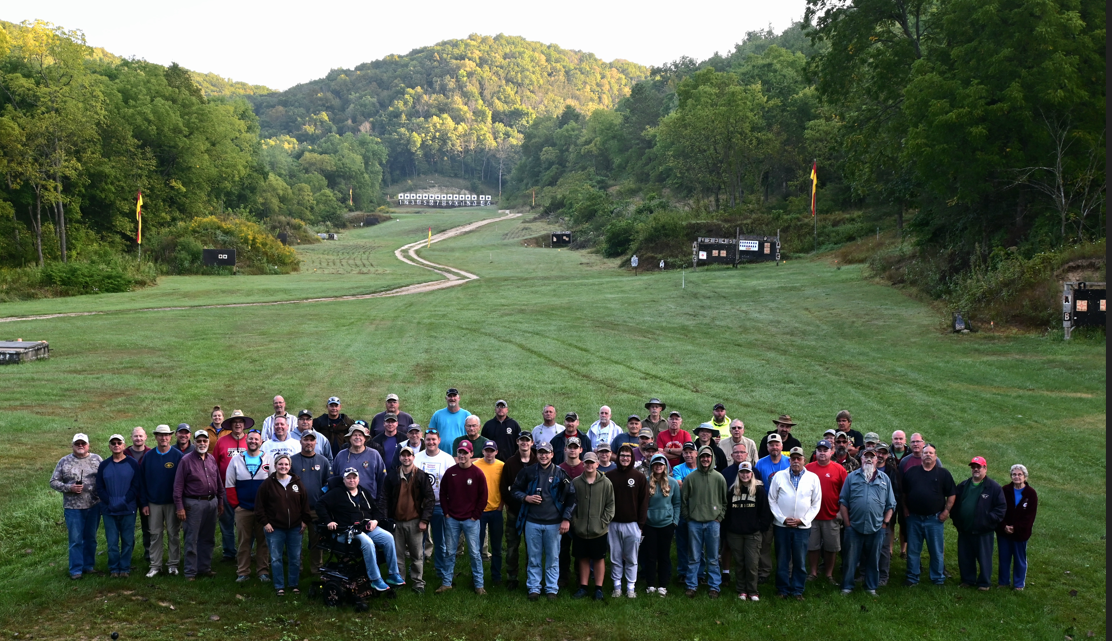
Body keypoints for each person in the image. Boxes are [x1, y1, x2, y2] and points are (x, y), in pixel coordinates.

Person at [317, 468, 404, 592]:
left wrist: (375, 521)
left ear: (358, 479)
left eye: (354, 477)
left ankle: (393, 574)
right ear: (344, 480)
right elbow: (320, 505)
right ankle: (375, 579)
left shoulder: (364, 492)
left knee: (388, 537)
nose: (352, 480)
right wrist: (328, 521)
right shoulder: (336, 493)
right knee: (367, 542)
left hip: (366, 527)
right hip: (345, 531)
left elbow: (376, 510)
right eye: (349, 478)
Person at [512, 440, 576, 601]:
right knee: (533, 556)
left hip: (554, 523)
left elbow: (572, 497)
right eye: (540, 452)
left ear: (552, 454)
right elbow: (514, 490)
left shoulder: (561, 474)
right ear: (537, 454)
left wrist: (566, 519)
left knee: (553, 557)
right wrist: (526, 497)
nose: (543, 455)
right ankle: (534, 588)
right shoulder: (529, 472)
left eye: (546, 452)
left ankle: (551, 588)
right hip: (532, 522)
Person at [838, 447, 895, 595]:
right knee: (850, 559)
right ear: (861, 460)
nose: (869, 459)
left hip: (876, 528)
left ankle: (871, 587)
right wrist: (848, 524)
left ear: (877, 460)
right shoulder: (851, 477)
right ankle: (847, 586)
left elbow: (891, 505)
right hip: (854, 527)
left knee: (873, 560)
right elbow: (843, 501)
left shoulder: (885, 479)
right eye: (866, 457)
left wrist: (884, 524)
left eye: (872, 457)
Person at [767, 447, 822, 600]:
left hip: (802, 527)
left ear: (804, 460)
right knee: (783, 558)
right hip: (782, 526)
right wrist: (782, 518)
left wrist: (803, 520)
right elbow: (772, 499)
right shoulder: (779, 476)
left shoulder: (813, 478)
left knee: (799, 559)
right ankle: (783, 589)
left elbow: (816, 503)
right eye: (793, 458)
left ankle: (798, 590)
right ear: (789, 460)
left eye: (799, 458)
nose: (796, 461)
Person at [255, 454, 311, 596]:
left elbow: (305, 504)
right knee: (276, 558)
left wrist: (304, 520)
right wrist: (265, 523)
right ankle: (279, 585)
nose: (283, 467)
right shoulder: (267, 484)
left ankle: (294, 584)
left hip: (295, 528)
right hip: (275, 528)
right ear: (275, 465)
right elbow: (259, 506)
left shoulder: (297, 483)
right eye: (280, 464)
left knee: (295, 557)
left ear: (290, 466)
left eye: (286, 464)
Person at [173, 430, 225, 581]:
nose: (202, 443)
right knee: (192, 537)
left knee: (208, 537)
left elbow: (218, 482)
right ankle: (190, 571)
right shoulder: (186, 460)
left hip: (211, 502)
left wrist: (220, 501)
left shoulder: (212, 459)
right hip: (193, 503)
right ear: (194, 442)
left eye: (205, 441)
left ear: (208, 443)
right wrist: (179, 507)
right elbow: (177, 486)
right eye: (199, 441)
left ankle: (204, 567)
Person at [437, 440, 488, 594]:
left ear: (471, 454)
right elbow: (443, 493)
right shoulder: (450, 472)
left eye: (466, 453)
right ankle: (446, 583)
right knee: (450, 552)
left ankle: (479, 585)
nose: (462, 455)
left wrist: (475, 515)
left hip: (471, 520)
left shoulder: (477, 473)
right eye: (460, 452)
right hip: (452, 518)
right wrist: (446, 512)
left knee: (474, 553)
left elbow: (483, 497)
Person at [901, 443, 955, 586]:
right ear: (922, 456)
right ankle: (912, 577)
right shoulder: (912, 472)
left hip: (934, 519)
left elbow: (951, 494)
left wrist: (946, 511)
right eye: (926, 453)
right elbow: (904, 493)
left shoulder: (943, 474)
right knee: (913, 550)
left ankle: (937, 578)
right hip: (914, 518)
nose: (928, 455)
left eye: (931, 453)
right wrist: (905, 508)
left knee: (936, 551)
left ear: (936, 456)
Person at [51, 433, 103, 580]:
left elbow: (105, 478)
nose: (80, 446)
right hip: (73, 508)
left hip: (93, 505)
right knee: (75, 539)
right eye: (77, 443)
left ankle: (88, 566)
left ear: (88, 445)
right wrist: (69, 488)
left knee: (91, 538)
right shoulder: (64, 461)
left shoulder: (97, 459)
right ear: (73, 445)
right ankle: (76, 570)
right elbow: (53, 481)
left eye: (83, 443)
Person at [384, 445, 435, 593]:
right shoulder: (392, 476)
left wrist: (424, 520)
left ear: (413, 457)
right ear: (400, 458)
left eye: (409, 455)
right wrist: (386, 520)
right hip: (396, 522)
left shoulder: (420, 476)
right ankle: (399, 580)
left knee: (417, 555)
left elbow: (430, 499)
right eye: (403, 455)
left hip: (415, 522)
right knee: (397, 555)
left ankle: (418, 583)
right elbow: (384, 498)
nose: (406, 458)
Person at [952, 456, 1006, 591]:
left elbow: (1001, 508)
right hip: (965, 529)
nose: (976, 469)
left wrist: (987, 520)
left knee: (984, 558)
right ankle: (967, 579)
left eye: (979, 467)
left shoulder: (993, 487)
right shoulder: (963, 485)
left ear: (985, 468)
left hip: (983, 531)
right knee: (965, 557)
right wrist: (957, 520)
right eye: (973, 467)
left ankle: (984, 583)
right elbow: (955, 505)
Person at [226, 429, 273, 583]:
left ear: (261, 442)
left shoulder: (269, 459)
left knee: (263, 542)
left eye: (256, 439)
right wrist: (236, 506)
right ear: (247, 441)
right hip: (243, 509)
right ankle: (243, 572)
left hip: (263, 511)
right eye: (251, 439)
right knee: (243, 542)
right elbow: (230, 485)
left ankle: (263, 572)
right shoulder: (236, 460)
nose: (253, 441)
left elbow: (274, 485)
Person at [681, 446, 728, 598]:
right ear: (698, 458)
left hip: (713, 523)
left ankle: (714, 586)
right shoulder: (691, 478)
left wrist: (719, 517)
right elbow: (683, 501)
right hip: (694, 522)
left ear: (712, 458)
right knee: (694, 556)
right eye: (702, 457)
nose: (705, 459)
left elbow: (724, 501)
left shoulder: (719, 478)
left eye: (708, 457)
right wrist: (688, 517)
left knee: (713, 557)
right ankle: (691, 585)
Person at [139, 424, 185, 578]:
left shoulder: (178, 456)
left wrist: (181, 505)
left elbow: (184, 481)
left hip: (172, 503)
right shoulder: (148, 456)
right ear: (156, 437)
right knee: (155, 534)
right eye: (160, 435)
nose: (163, 438)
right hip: (153, 503)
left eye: (166, 435)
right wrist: (144, 503)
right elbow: (142, 481)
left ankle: (173, 564)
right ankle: (155, 565)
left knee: (174, 534)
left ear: (171, 437)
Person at [414, 428, 457, 587]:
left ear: (439, 440)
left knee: (441, 541)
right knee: (419, 541)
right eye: (428, 439)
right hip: (420, 507)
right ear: (423, 441)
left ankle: (442, 571)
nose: (431, 442)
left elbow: (454, 483)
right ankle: (419, 571)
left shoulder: (447, 459)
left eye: (434, 439)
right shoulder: (417, 458)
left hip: (440, 506)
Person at [724, 461, 771, 601]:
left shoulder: (759, 490)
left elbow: (765, 512)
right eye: (742, 472)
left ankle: (753, 590)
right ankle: (741, 590)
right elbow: (727, 512)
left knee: (752, 563)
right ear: (738, 474)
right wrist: (729, 527)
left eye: (747, 472)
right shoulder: (732, 490)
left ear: (752, 474)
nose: (745, 475)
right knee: (739, 562)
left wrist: (760, 528)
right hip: (735, 533)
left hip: (753, 534)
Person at [571, 452, 614, 601]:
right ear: (583, 464)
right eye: (587, 462)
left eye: (592, 462)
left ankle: (598, 588)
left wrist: (603, 522)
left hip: (599, 530)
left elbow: (610, 505)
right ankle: (583, 587)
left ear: (597, 464)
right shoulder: (576, 482)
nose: (589, 465)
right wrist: (575, 522)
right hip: (580, 529)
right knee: (582, 558)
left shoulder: (606, 483)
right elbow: (571, 504)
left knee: (598, 558)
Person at [607, 443, 648, 598]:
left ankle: (631, 587)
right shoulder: (610, 476)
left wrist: (640, 525)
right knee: (615, 557)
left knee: (631, 557)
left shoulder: (639, 477)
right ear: (618, 457)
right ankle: (617, 586)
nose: (625, 458)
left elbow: (644, 502)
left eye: (628, 456)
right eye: (622, 455)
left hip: (633, 524)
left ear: (632, 458)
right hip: (613, 524)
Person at [97, 434, 140, 578]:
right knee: (112, 541)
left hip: (128, 508)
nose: (116, 445)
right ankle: (114, 568)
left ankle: (125, 568)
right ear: (109, 446)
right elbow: (99, 487)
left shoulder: (132, 463)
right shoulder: (104, 465)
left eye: (118, 443)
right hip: (109, 509)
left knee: (128, 540)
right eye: (113, 443)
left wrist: (123, 500)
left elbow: (136, 485)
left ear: (123, 445)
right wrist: (109, 501)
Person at [805, 439, 848, 583]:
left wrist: (841, 513)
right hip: (812, 516)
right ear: (816, 452)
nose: (822, 453)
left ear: (832, 452)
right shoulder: (808, 468)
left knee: (831, 547)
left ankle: (829, 574)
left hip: (832, 516)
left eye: (825, 450)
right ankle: (813, 573)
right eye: (819, 450)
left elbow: (846, 493)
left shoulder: (839, 470)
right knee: (813, 546)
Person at [290, 430, 330, 575]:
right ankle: (296, 569)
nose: (309, 443)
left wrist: (321, 494)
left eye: (311, 440)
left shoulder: (323, 461)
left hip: (316, 508)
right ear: (300, 441)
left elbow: (327, 482)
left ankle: (317, 569)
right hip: (297, 509)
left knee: (317, 541)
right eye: (306, 440)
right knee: (296, 541)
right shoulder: (292, 461)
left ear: (316, 442)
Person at [501, 432, 536, 590]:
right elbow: (504, 487)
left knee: (532, 547)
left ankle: (532, 578)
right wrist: (510, 504)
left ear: (532, 443)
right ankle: (512, 577)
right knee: (512, 546)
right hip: (515, 511)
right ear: (517, 442)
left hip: (533, 513)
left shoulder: (539, 461)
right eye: (522, 440)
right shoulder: (510, 463)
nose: (524, 443)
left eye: (527, 441)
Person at [643, 454, 680, 596]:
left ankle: (663, 585)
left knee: (664, 555)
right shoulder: (645, 482)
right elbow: (642, 504)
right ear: (652, 466)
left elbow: (677, 504)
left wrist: (674, 522)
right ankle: (651, 584)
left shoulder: (673, 483)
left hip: (667, 524)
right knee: (650, 555)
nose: (658, 466)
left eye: (661, 464)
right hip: (650, 524)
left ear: (665, 466)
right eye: (655, 464)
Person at [753, 433, 789, 583]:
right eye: (771, 444)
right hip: (766, 509)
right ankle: (764, 572)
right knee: (765, 542)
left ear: (782, 446)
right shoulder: (760, 464)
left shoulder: (789, 462)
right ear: (767, 447)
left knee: (784, 542)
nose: (774, 447)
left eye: (777, 444)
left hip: (784, 508)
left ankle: (787, 570)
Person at [997, 464, 1037, 591]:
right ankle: (1003, 582)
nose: (1017, 477)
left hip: (1020, 533)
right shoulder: (1004, 490)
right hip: (1004, 532)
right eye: (1014, 474)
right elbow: (999, 510)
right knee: (1004, 558)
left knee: (1019, 559)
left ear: (1025, 476)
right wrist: (1004, 526)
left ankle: (1019, 584)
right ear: (1011, 476)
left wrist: (1015, 527)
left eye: (1020, 474)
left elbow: (1030, 516)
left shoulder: (1031, 494)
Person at [214, 413, 248, 563]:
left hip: (246, 488)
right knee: (226, 521)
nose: (238, 424)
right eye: (235, 422)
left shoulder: (251, 440)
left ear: (244, 424)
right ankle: (229, 552)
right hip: (226, 488)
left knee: (246, 522)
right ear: (231, 424)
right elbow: (213, 465)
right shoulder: (221, 442)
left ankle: (246, 552)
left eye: (241, 422)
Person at [474, 442, 505, 586]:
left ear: (496, 452)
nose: (489, 453)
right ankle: (478, 577)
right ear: (483, 451)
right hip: (480, 512)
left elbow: (505, 487)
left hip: (496, 511)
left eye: (491, 451)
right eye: (486, 450)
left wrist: (501, 506)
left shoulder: (502, 466)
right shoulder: (476, 465)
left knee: (497, 547)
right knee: (477, 547)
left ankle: (496, 576)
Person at [331, 423, 386, 500]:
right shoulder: (341, 455)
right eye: (354, 435)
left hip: (369, 501)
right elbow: (334, 479)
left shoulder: (374, 454)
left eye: (360, 435)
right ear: (349, 438)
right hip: (345, 501)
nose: (357, 437)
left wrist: (379, 501)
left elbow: (382, 479)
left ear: (365, 438)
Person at [127, 425, 153, 561]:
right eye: (136, 436)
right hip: (129, 497)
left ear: (145, 437)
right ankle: (127, 555)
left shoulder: (150, 453)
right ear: (131, 438)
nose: (138, 438)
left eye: (140, 436)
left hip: (145, 496)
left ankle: (149, 553)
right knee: (128, 527)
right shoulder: (124, 453)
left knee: (147, 527)